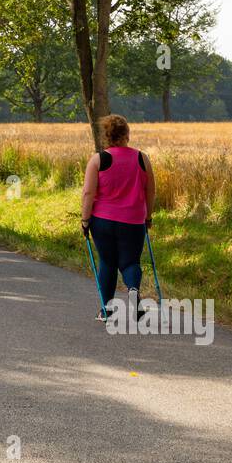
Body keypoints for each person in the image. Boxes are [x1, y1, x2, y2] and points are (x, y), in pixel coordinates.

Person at [80, 114, 156, 320]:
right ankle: (133, 290)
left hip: (102, 221)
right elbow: (150, 191)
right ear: (127, 135)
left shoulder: (98, 160)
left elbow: (88, 193)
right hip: (133, 221)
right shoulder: (142, 158)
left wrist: (85, 220)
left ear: (106, 136)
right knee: (130, 262)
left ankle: (106, 310)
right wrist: (148, 216)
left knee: (107, 262)